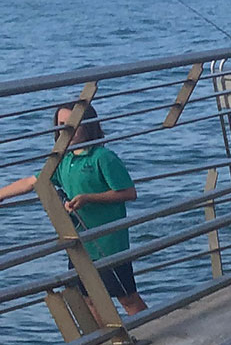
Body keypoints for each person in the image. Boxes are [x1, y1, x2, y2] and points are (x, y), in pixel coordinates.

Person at [0, 103, 148, 324]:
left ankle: (152, 329)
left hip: (109, 243)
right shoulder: (63, 161)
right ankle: (113, 340)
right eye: (61, 125)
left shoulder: (102, 156)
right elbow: (33, 181)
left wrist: (89, 198)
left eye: (73, 124)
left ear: (88, 125)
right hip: (79, 241)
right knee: (89, 298)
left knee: (126, 297)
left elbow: (129, 192)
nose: (66, 130)